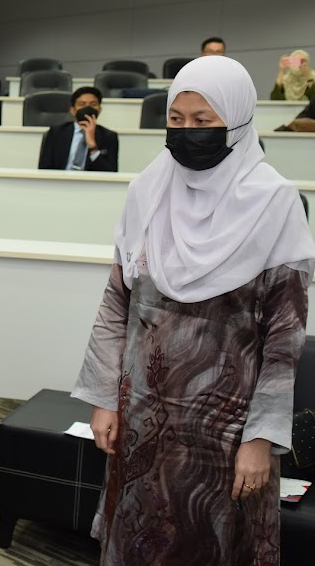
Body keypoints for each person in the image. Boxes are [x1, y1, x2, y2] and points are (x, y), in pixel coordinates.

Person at [72, 56, 315, 565]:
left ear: (238, 121)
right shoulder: (147, 192)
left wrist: (261, 439)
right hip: (141, 419)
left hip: (224, 434)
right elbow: (116, 303)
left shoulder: (274, 204)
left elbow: (284, 339)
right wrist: (102, 398)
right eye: (176, 120)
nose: (186, 132)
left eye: (203, 121)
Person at [38, 86, 119, 172]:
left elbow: (110, 172)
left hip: (91, 184)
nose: (87, 108)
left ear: (99, 110)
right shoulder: (56, 133)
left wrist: (92, 146)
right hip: (59, 182)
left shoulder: (109, 137)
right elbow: (44, 169)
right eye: (82, 104)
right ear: (73, 110)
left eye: (93, 104)